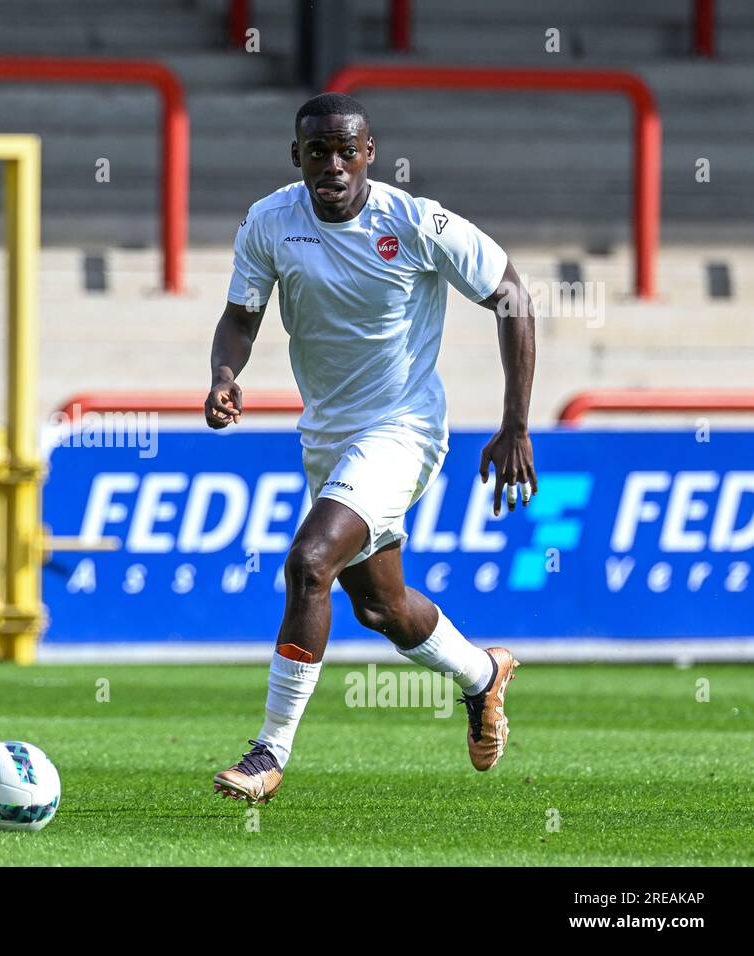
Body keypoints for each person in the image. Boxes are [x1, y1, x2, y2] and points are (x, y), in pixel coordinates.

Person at [207, 93, 537, 803]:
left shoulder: (415, 222)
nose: (333, 165)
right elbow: (240, 317)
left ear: (369, 152)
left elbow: (510, 294)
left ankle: (270, 751)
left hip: (403, 429)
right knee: (381, 607)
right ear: (296, 158)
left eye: (345, 150)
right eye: (317, 152)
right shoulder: (269, 222)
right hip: (328, 436)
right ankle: (483, 675)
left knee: (308, 561)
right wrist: (225, 376)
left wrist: (515, 423)